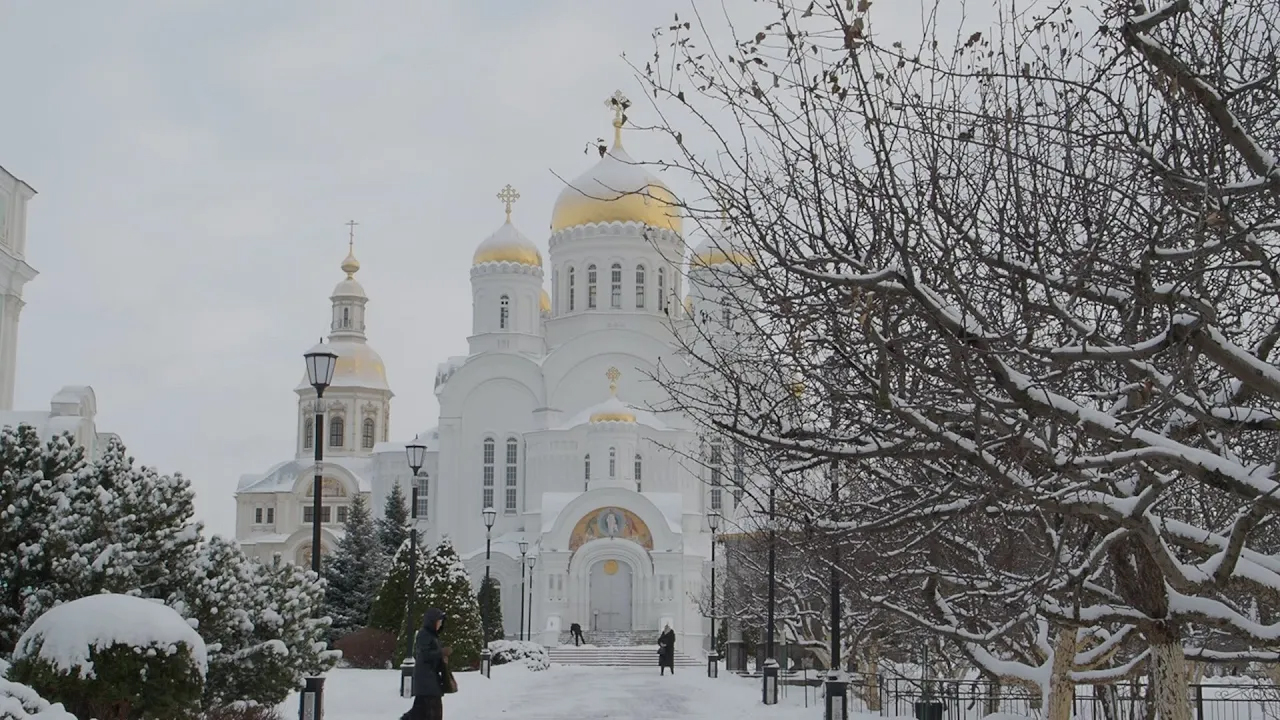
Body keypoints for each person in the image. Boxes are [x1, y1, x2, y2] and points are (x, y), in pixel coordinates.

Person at [403, 608, 452, 720]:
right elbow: (424, 655)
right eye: (439, 621)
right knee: (429, 712)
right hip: (426, 681)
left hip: (430, 681)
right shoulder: (424, 634)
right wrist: (441, 652)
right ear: (432, 621)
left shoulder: (432, 636)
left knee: (421, 712)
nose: (440, 624)